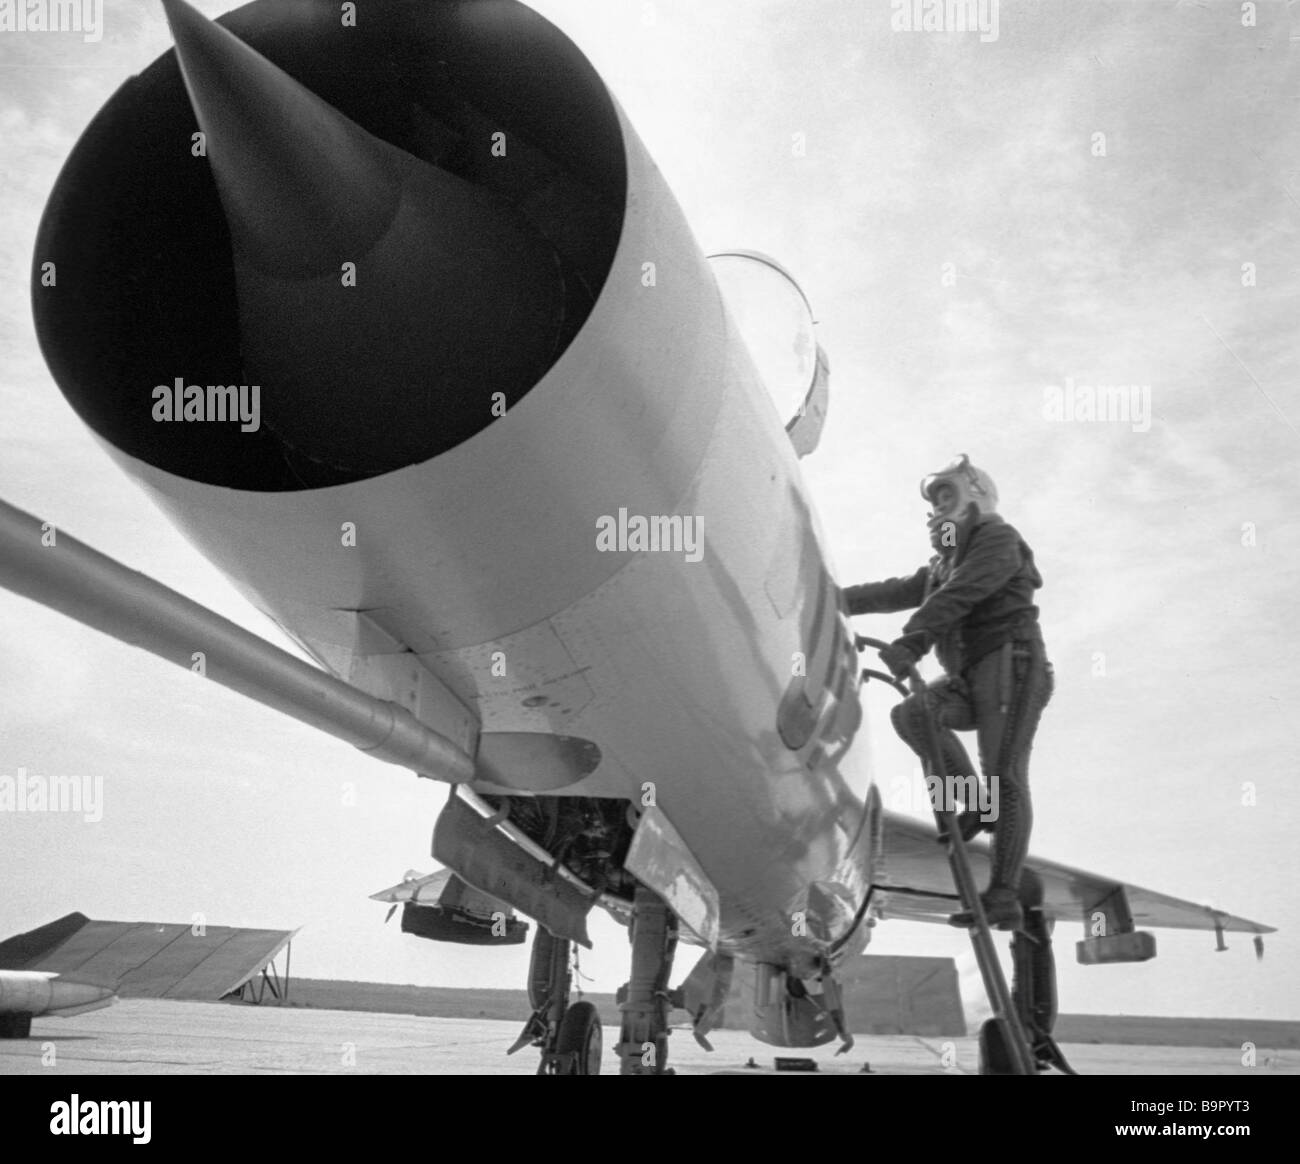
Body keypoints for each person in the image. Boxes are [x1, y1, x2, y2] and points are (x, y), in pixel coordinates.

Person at [842, 455, 1053, 932]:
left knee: (1006, 774)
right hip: (969, 674)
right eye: (933, 501)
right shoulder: (942, 564)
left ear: (973, 495)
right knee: (914, 715)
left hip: (1010, 664)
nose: (937, 508)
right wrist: (831, 597)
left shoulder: (997, 539)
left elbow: (964, 592)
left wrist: (913, 642)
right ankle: (977, 804)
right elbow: (893, 591)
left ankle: (1002, 894)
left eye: (945, 496)